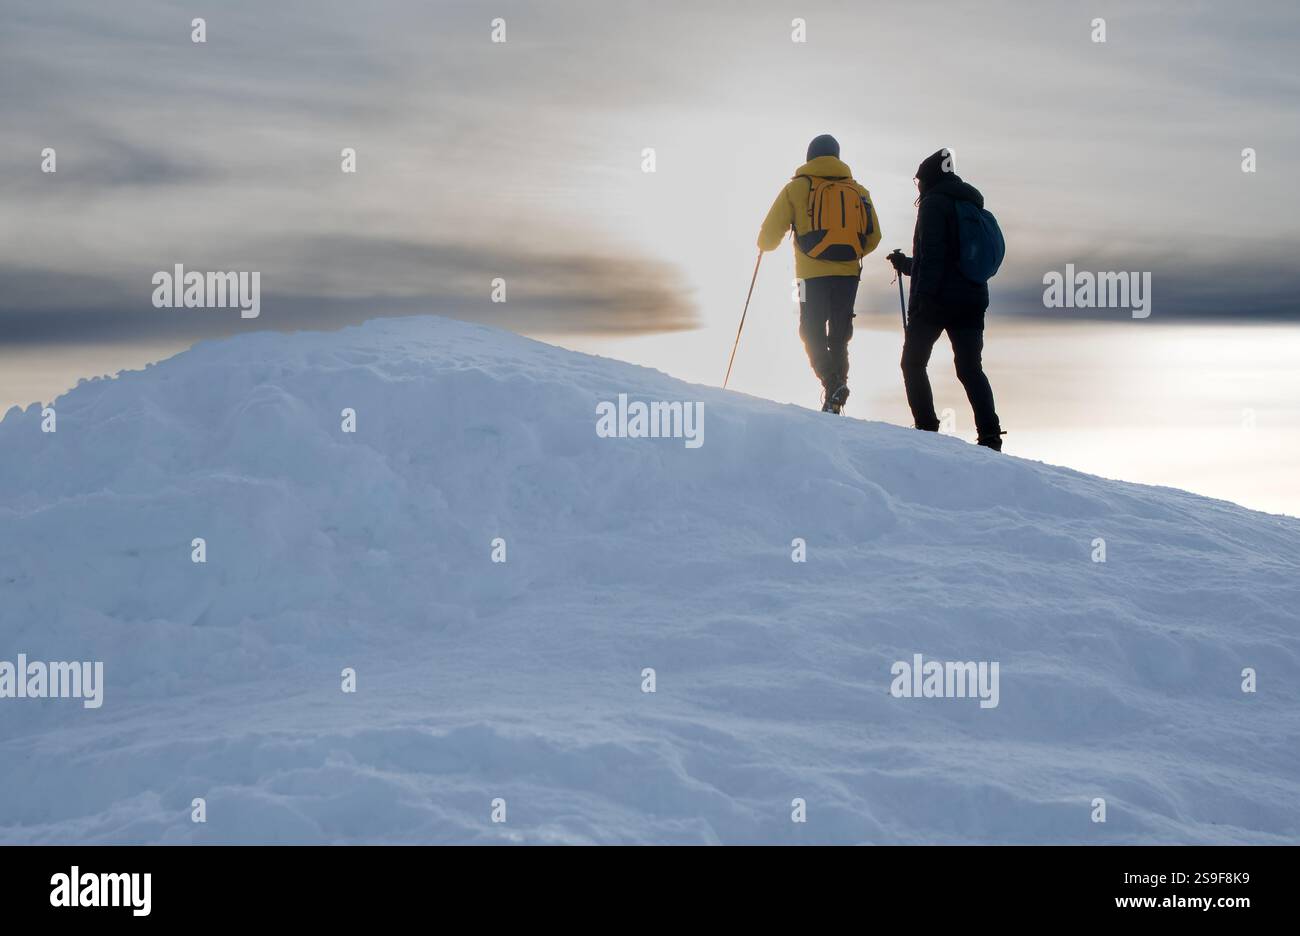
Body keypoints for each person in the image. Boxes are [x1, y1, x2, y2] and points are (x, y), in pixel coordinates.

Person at [888, 149, 1004, 449]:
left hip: (937, 301)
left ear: (928, 179)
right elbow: (942, 258)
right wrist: (905, 265)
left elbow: (933, 259)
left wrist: (920, 303)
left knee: (912, 363)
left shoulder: (933, 205)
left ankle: (926, 428)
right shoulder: (969, 204)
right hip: (973, 298)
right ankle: (990, 434)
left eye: (919, 181)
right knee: (970, 368)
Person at [758, 134, 882, 413]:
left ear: (809, 157)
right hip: (849, 276)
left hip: (809, 276)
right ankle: (835, 397)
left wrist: (763, 245)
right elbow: (875, 236)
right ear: (837, 156)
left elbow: (769, 233)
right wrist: (850, 254)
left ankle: (831, 382)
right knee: (839, 335)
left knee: (809, 330)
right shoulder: (860, 190)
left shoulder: (797, 188)